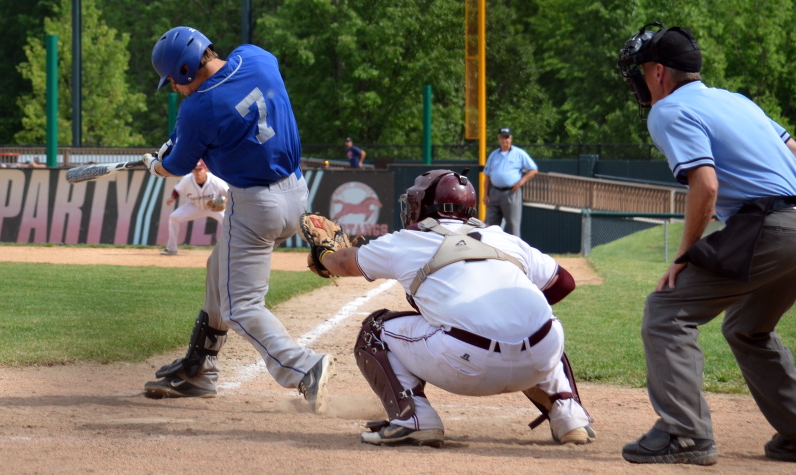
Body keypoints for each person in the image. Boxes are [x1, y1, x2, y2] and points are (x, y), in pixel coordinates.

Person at [617, 23, 796, 465]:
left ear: (659, 72)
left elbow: (707, 186)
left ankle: (685, 434)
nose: (640, 81)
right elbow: (792, 147)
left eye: (641, 71)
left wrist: (684, 256)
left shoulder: (668, 110)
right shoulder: (735, 101)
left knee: (667, 311)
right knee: (746, 327)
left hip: (768, 224)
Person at [314, 169, 594, 447]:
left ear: (423, 205)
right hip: (538, 358)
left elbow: (343, 263)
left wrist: (324, 253)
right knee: (540, 326)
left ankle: (414, 419)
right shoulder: (501, 236)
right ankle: (569, 416)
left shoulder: (408, 240)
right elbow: (564, 282)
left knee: (374, 330)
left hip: (465, 366)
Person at [141, 26, 334, 413]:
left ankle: (303, 368)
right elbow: (235, 106)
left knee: (240, 306)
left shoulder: (196, 109)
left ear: (183, 69)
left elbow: (176, 164)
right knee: (219, 269)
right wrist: (181, 140)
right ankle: (200, 370)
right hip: (296, 193)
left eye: (173, 83)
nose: (175, 89)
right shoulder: (258, 56)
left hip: (255, 206)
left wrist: (155, 164)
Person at [160, 159, 229, 256]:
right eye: (195, 170)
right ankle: (171, 249)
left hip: (213, 207)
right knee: (174, 217)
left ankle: (233, 249)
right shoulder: (187, 180)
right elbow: (177, 190)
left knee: (229, 222)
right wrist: (172, 198)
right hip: (195, 206)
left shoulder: (216, 181)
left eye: (200, 169)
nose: (198, 172)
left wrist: (221, 201)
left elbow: (229, 194)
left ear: (206, 169)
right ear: (192, 170)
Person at [482, 127, 537, 237]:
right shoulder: (494, 155)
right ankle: (492, 251)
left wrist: (520, 182)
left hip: (511, 192)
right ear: (498, 139)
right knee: (490, 225)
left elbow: (533, 169)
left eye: (506, 137)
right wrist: (485, 194)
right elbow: (487, 176)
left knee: (513, 224)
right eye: (502, 137)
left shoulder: (519, 153)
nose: (504, 140)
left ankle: (514, 253)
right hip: (494, 192)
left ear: (511, 138)